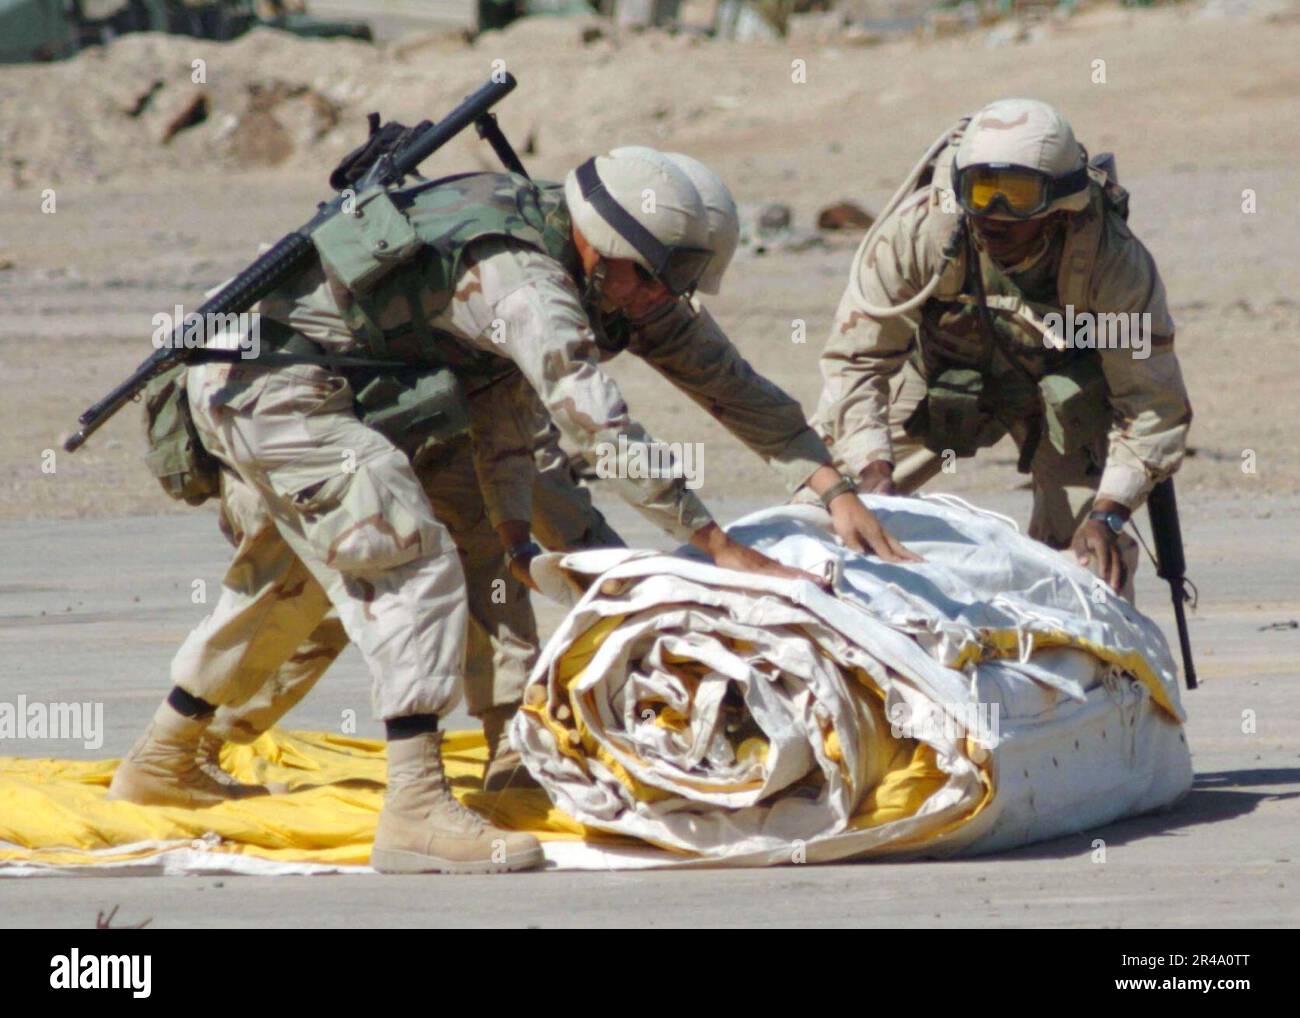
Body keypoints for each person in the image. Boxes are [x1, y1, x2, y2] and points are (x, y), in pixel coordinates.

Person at [109, 147, 915, 874]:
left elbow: (722, 379)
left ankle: (170, 761)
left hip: (364, 384)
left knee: (343, 569)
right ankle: (416, 808)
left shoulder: (619, 274)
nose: (663, 299)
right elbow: (592, 420)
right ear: (603, 249)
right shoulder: (524, 281)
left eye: (677, 282)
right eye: (657, 278)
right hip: (264, 377)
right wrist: (712, 542)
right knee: (405, 550)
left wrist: (829, 485)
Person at [814, 98, 1192, 598]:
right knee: (825, 512)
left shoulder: (1111, 261)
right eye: (981, 191)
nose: (993, 214)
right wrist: (870, 470)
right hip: (941, 382)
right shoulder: (922, 231)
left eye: (1016, 194)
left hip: (1065, 402)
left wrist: (1110, 513)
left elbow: (1151, 407)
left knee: (1092, 566)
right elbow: (855, 361)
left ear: (1060, 204)